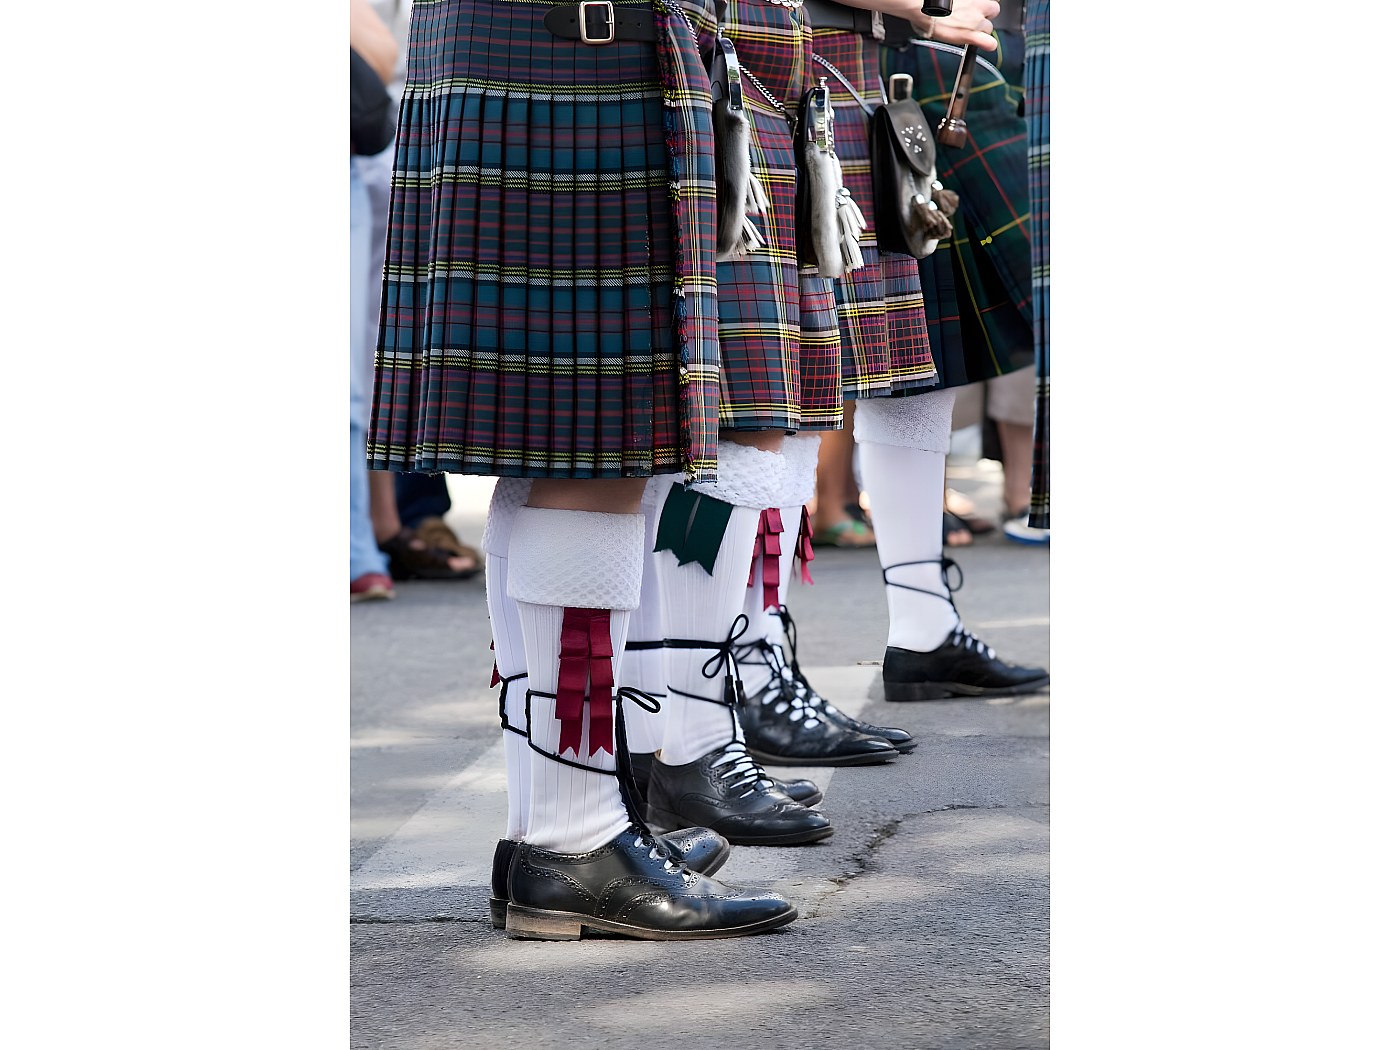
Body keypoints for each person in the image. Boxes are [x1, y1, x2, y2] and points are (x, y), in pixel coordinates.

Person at [367, 0, 800, 941]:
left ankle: (552, 827)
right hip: (572, 46)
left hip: (547, 46)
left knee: (564, 460)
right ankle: (574, 839)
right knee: (596, 454)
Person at [788, 0, 1049, 703]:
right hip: (825, 62)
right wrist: (929, 10)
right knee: (773, 382)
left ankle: (923, 626)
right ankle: (737, 661)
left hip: (916, 71)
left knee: (916, 364)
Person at [349, 0, 402, 603]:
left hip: (363, 156)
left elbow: (382, 53)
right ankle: (367, 540)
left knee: (363, 363)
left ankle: (371, 535)